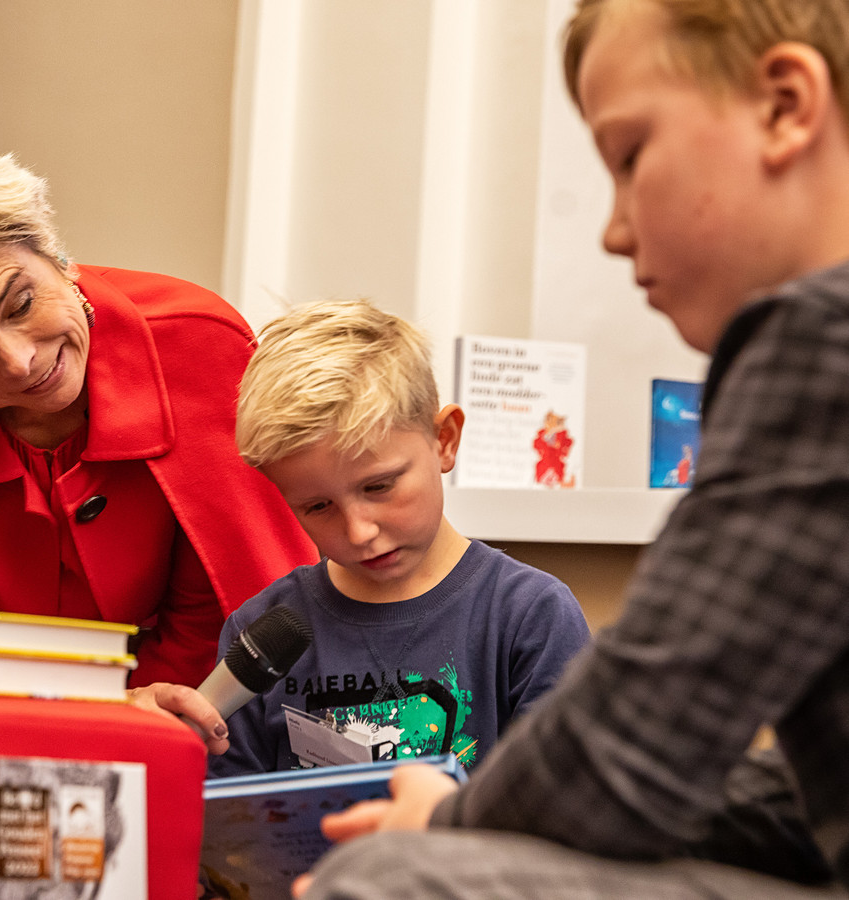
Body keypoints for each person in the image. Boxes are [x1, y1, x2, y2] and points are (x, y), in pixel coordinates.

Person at [301, 0, 849, 896]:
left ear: (786, 104)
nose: (613, 230)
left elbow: (633, 747)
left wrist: (443, 826)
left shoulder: (823, 339)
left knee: (390, 881)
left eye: (630, 158)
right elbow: (796, 795)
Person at [0, 133, 317, 688]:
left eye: (21, 305)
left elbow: (237, 605)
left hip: (201, 704)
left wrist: (141, 713)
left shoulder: (197, 344)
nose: (19, 362)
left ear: (55, 256)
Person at [197, 299, 590, 778]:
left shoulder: (532, 616)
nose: (359, 532)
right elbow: (231, 815)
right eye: (318, 507)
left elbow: (563, 803)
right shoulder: (259, 635)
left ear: (444, 440)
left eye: (379, 487)